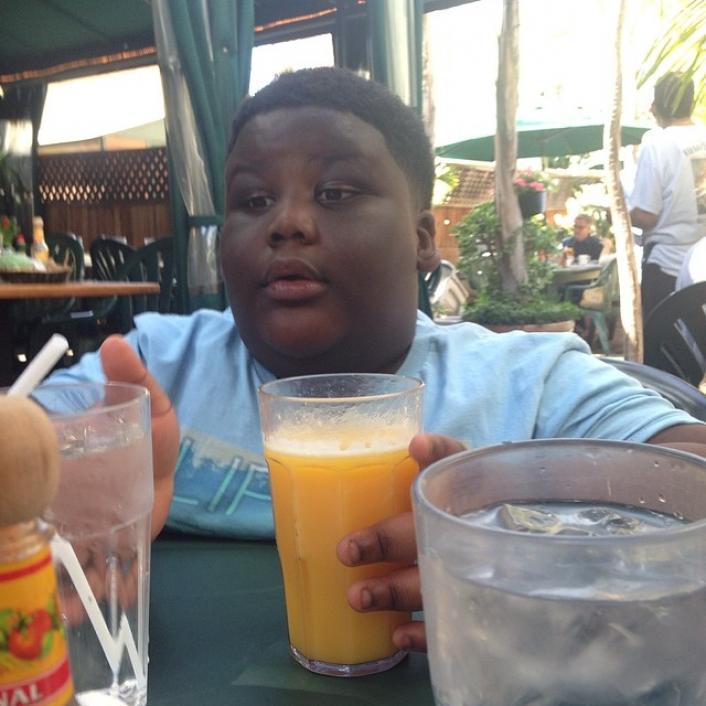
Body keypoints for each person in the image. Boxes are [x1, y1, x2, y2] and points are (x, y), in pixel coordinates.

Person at [49, 67, 706, 652]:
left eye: (335, 192)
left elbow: (688, 467)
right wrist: (55, 491)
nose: (287, 222)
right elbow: (23, 433)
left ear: (422, 239)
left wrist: (518, 525)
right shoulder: (151, 371)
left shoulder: (527, 382)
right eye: (253, 200)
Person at [629, 72, 706, 320]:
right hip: (702, 269)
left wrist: (619, 215)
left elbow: (646, 216)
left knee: (662, 341)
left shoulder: (657, 143)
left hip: (667, 269)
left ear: (659, 105)